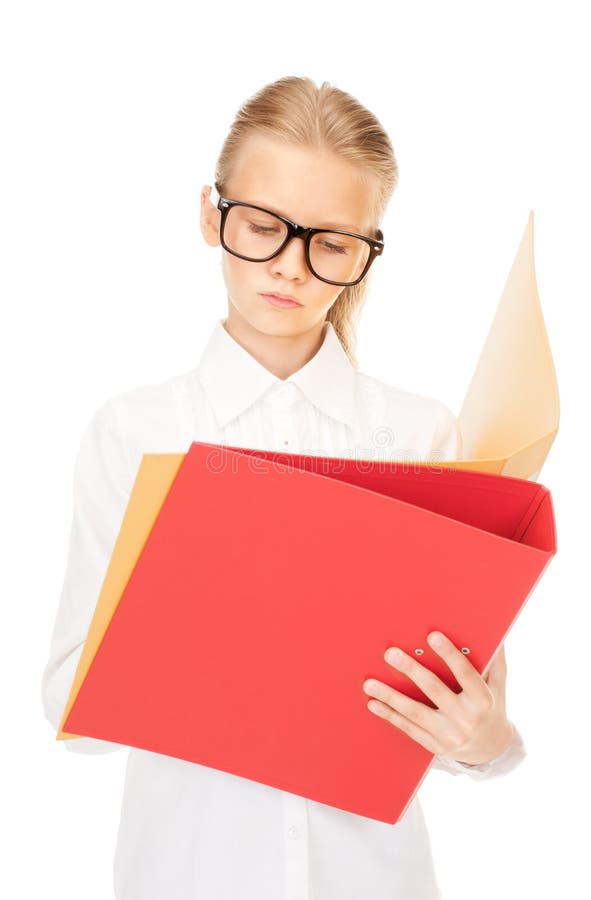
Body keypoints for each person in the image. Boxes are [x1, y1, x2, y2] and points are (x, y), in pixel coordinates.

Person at [41, 75, 526, 900]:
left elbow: (465, 722)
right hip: (185, 876)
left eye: (332, 244)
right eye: (263, 226)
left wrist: (485, 739)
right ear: (210, 215)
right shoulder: (136, 432)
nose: (291, 268)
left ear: (369, 249)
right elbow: (69, 709)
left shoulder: (422, 437)